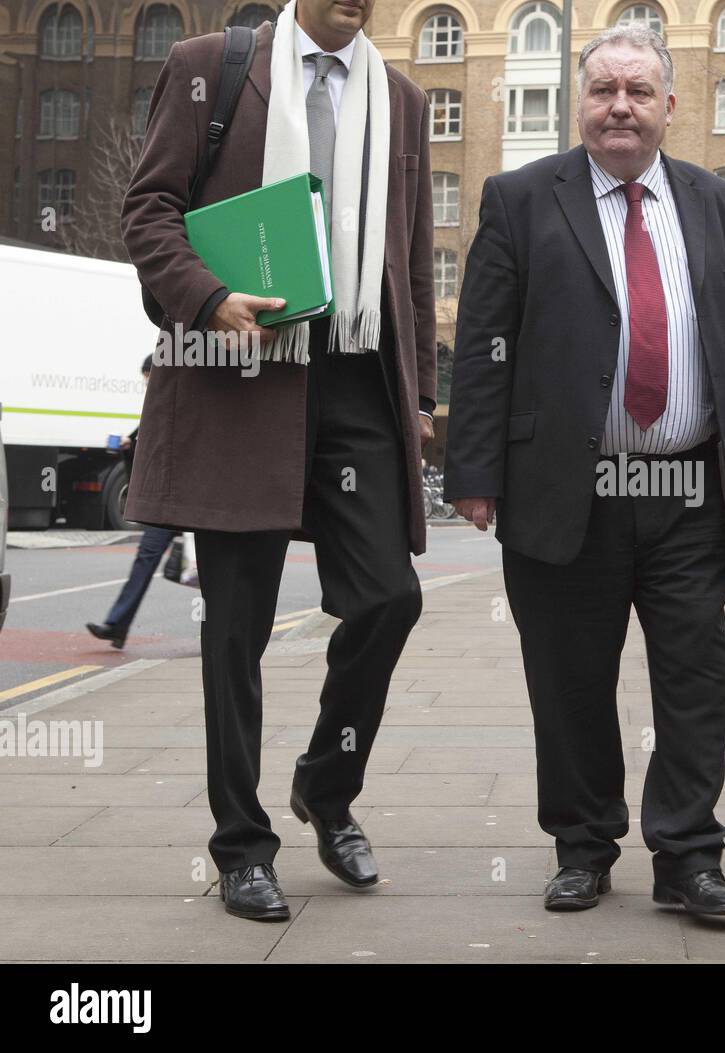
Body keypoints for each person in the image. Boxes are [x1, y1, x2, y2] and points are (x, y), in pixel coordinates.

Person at [445, 25, 725, 916]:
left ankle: (688, 856)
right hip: (567, 488)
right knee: (570, 679)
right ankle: (584, 845)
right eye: (603, 91)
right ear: (579, 102)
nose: (619, 105)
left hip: (686, 486)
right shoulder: (518, 198)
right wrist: (473, 468)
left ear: (670, 106)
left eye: (638, 91)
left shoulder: (713, 202)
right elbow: (481, 345)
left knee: (695, 678)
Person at [120, 0, 437, 921]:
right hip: (240, 372)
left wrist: (416, 394)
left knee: (390, 596)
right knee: (237, 627)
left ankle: (326, 787)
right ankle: (240, 846)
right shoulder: (209, 67)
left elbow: (410, 259)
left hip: (354, 384)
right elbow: (147, 210)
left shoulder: (402, 100)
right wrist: (208, 297)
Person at [87, 356, 177, 649]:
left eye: (149, 378)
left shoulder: (179, 400)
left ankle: (220, 631)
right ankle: (116, 626)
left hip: (191, 500)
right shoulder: (155, 407)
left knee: (210, 570)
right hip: (164, 502)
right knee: (144, 559)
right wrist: (131, 446)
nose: (147, 384)